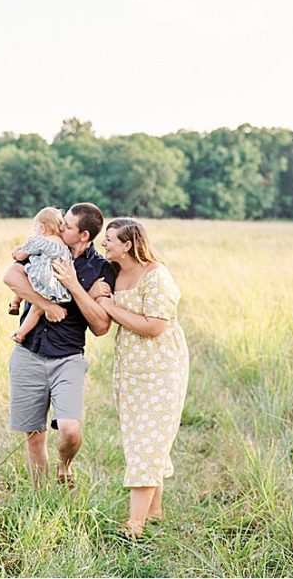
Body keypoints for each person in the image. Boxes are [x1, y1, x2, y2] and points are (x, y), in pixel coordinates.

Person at [3, 202, 114, 488]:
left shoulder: (100, 268)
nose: (60, 226)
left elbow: (101, 326)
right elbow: (11, 276)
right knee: (34, 435)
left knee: (70, 430)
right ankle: (40, 498)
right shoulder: (46, 245)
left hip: (68, 357)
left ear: (84, 236)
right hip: (30, 352)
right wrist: (45, 304)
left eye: (67, 225)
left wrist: (76, 286)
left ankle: (65, 466)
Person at [92, 218, 189, 538]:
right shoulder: (115, 272)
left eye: (110, 240)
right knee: (143, 438)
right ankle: (155, 511)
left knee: (147, 441)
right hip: (129, 369)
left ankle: (135, 524)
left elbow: (154, 326)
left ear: (128, 245)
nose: (104, 244)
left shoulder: (156, 277)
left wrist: (109, 306)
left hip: (161, 369)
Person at [9, 206, 73, 344]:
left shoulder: (40, 240)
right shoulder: (65, 246)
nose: (35, 231)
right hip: (58, 285)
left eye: (36, 228)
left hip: (42, 277)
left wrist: (16, 251)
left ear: (43, 228)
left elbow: (20, 256)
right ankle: (20, 334)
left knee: (25, 278)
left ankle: (15, 303)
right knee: (36, 310)